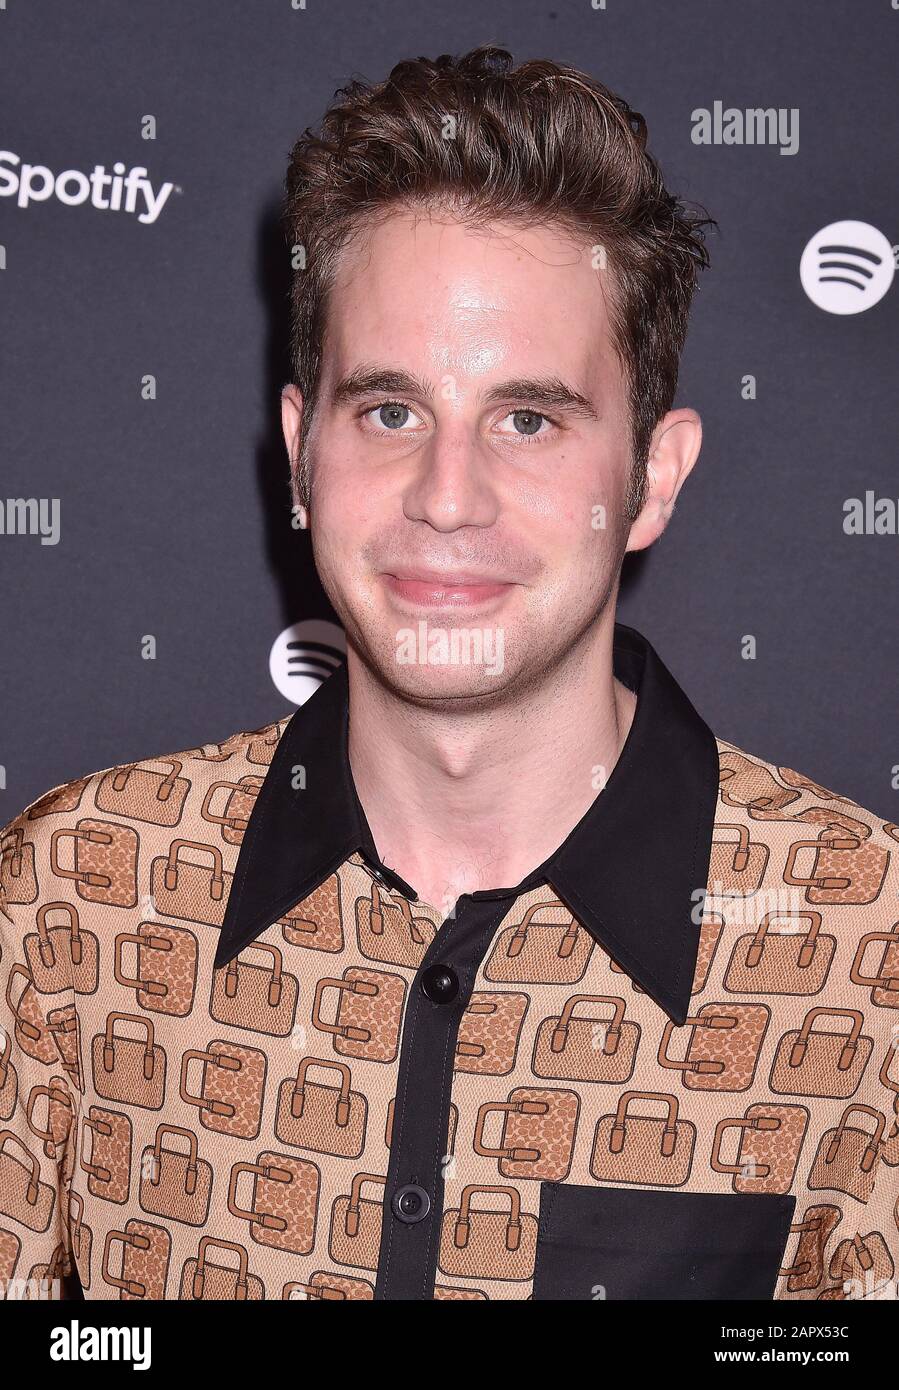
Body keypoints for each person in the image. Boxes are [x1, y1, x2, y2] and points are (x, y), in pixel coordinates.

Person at [1, 45, 896, 1303]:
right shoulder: (74, 902)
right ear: (302, 453)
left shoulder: (866, 949)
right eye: (388, 411)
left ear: (652, 475)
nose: (446, 496)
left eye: (527, 419)